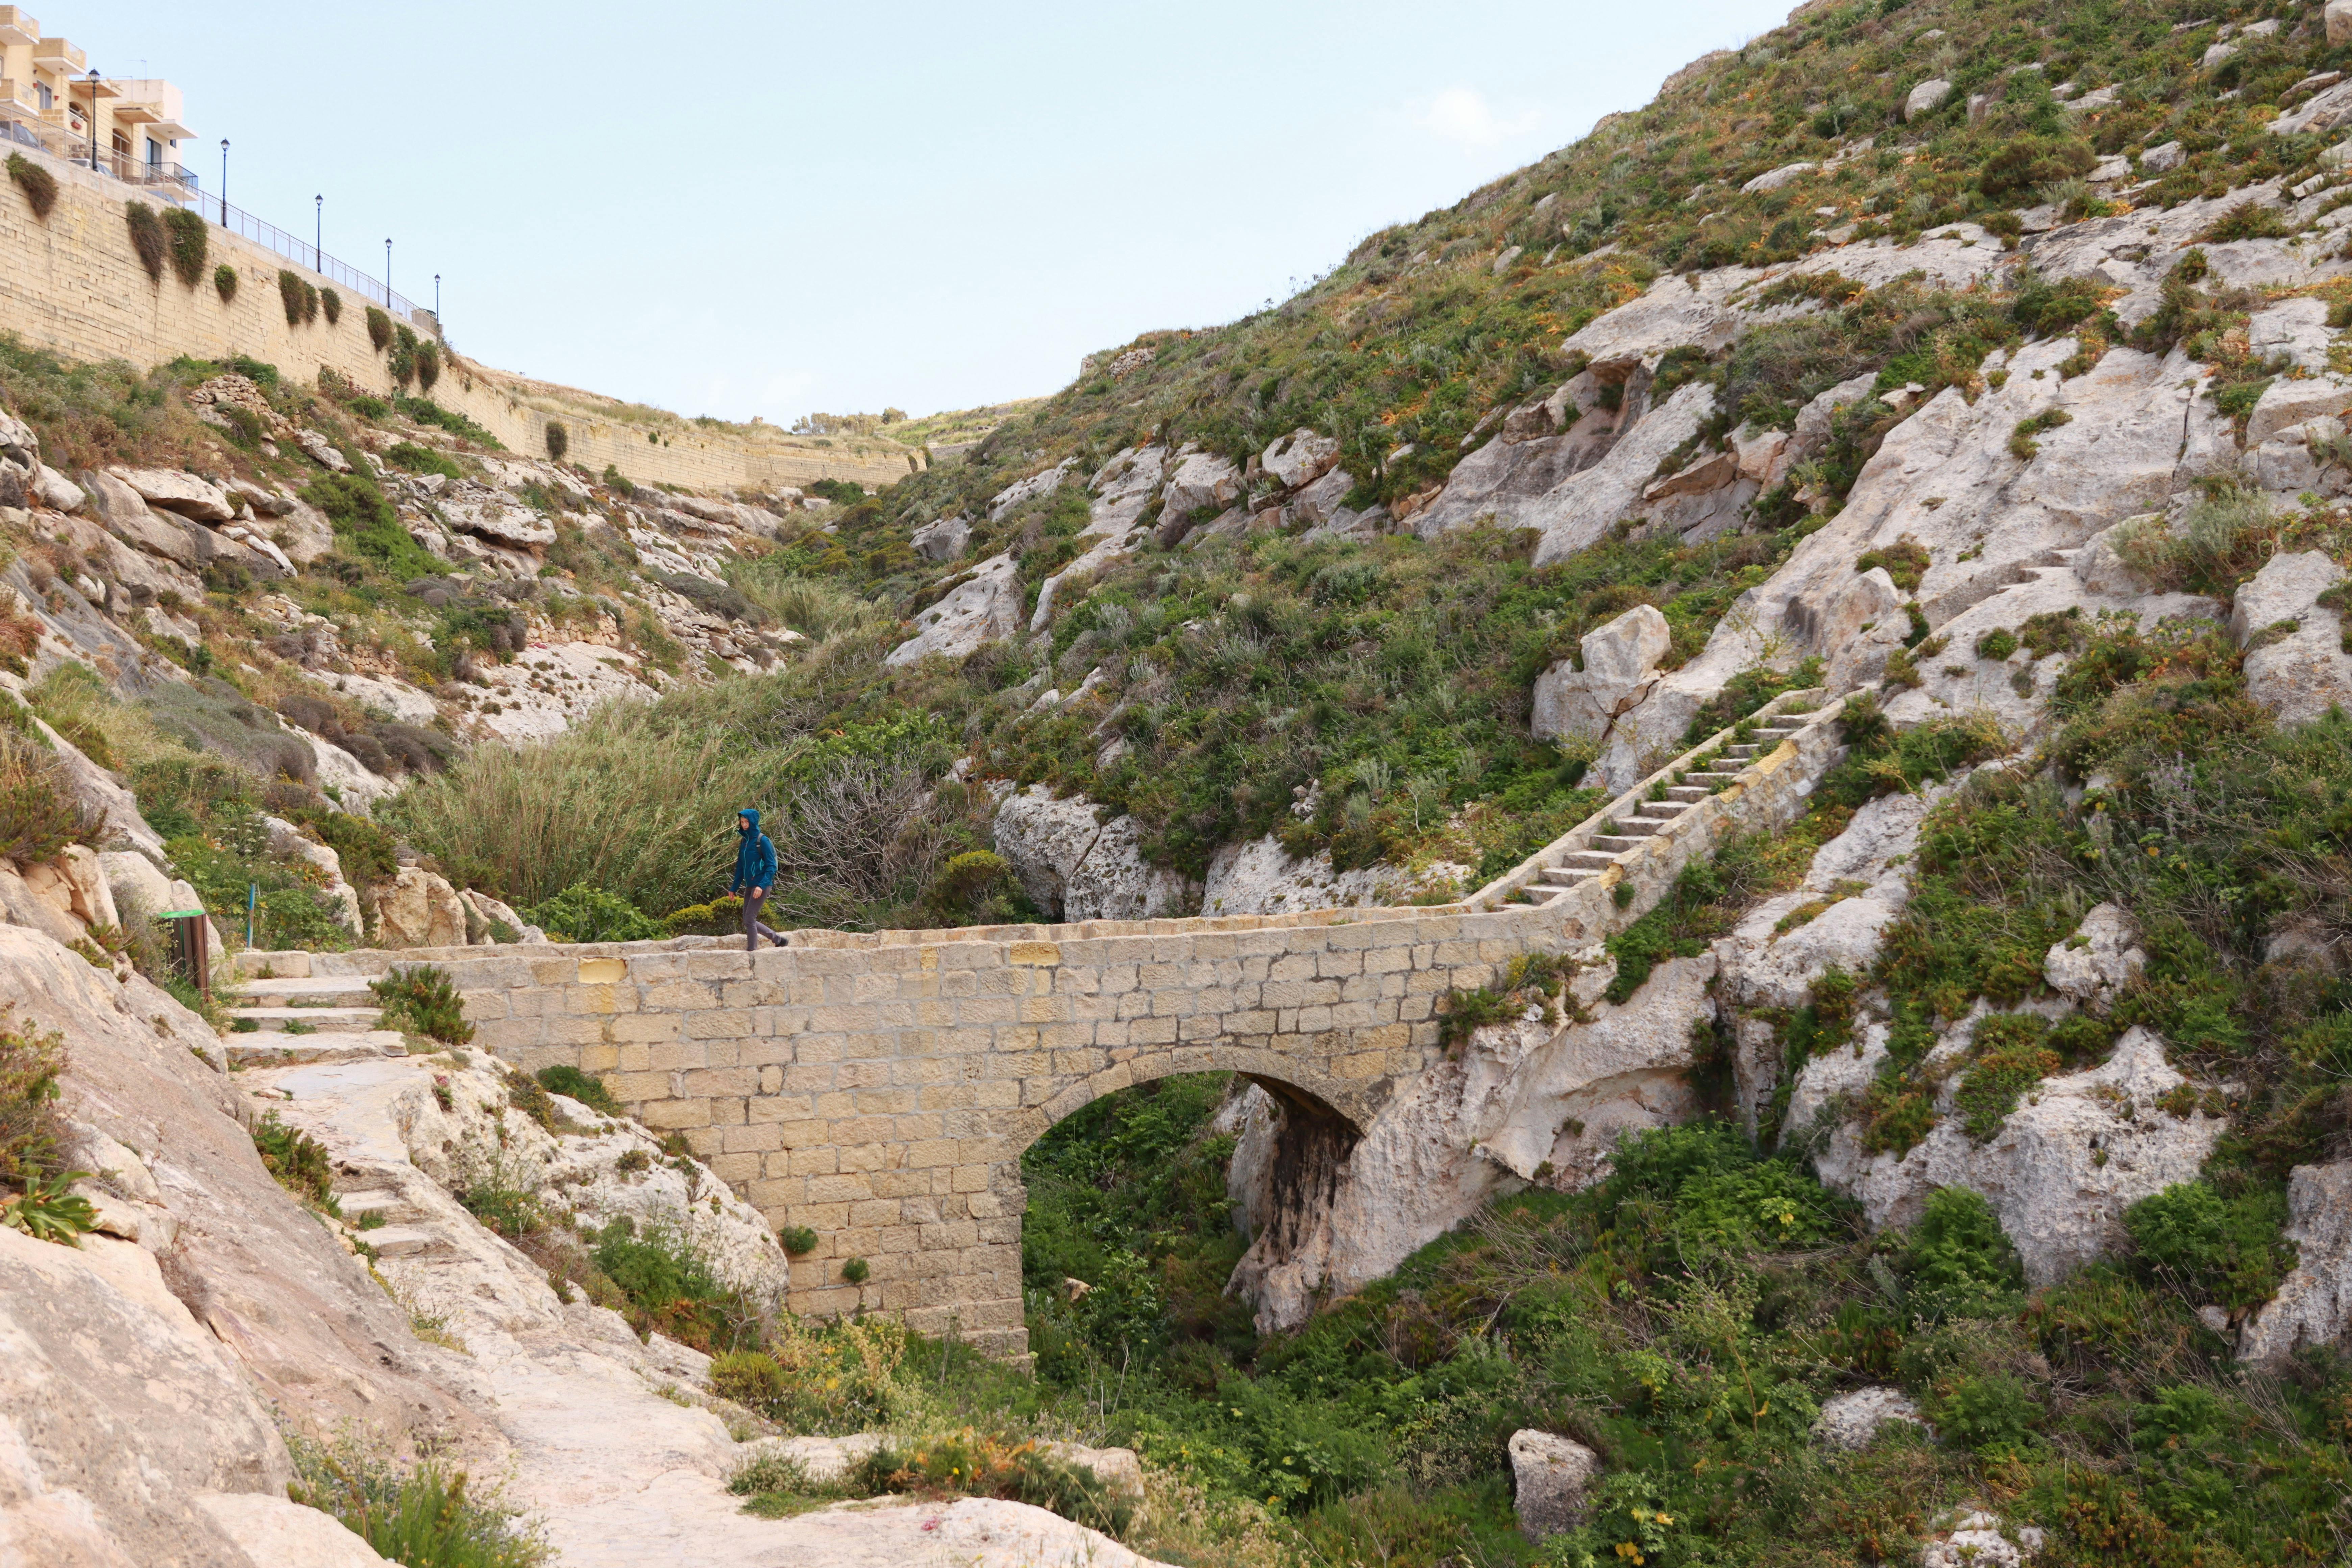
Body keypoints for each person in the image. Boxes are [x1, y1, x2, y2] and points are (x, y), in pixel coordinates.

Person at [731, 808, 783, 951]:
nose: (744, 825)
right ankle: (778, 939)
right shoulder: (745, 842)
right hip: (750, 886)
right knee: (747, 920)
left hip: (762, 885)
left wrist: (761, 886)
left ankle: (752, 951)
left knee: (750, 919)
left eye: (747, 821)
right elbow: (741, 867)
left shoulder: (763, 841)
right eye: (742, 822)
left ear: (753, 822)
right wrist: (734, 888)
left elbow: (772, 867)